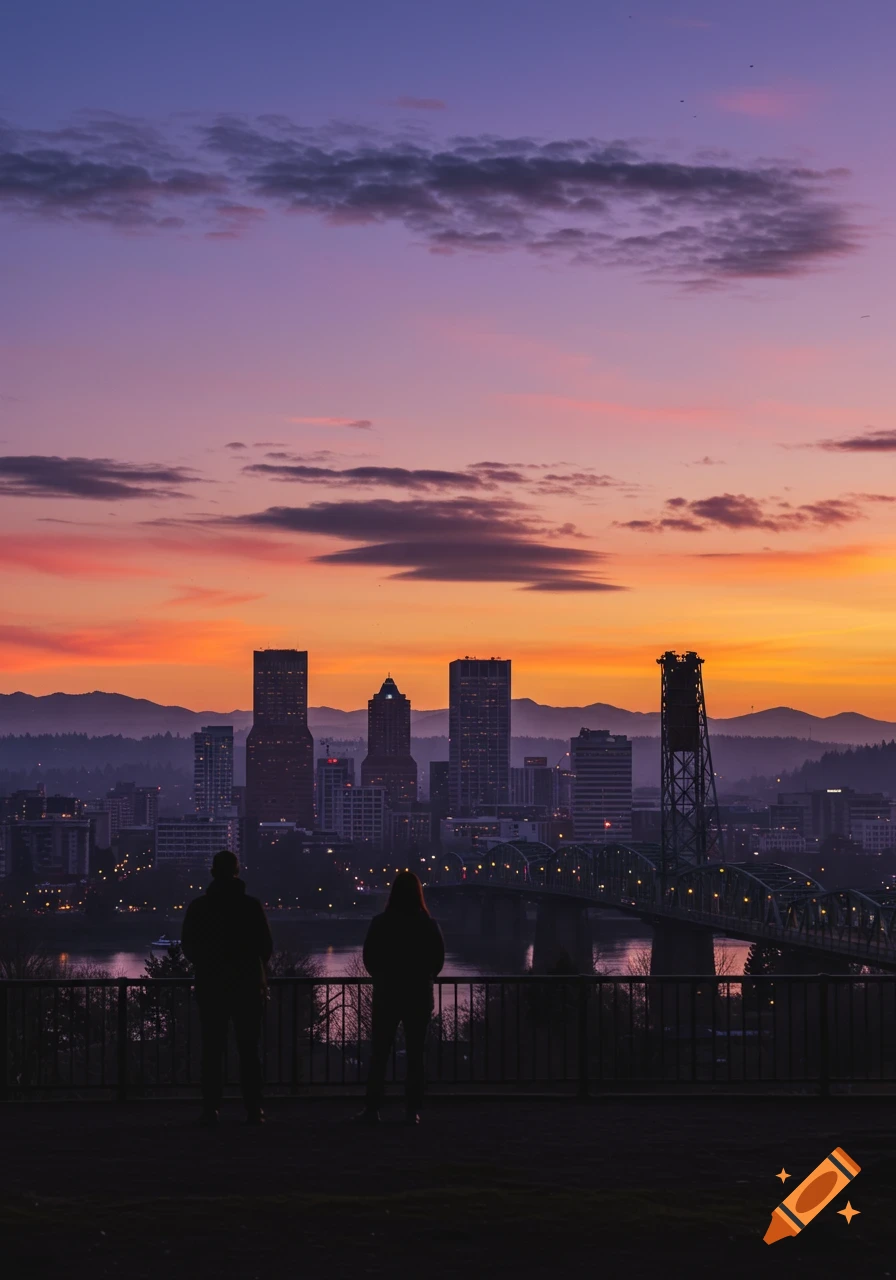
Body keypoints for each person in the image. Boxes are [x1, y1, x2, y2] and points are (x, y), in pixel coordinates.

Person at [181, 849, 273, 1126]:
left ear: (212, 872)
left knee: (212, 1051)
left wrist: (208, 964)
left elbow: (188, 946)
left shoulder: (199, 907)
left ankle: (211, 1110)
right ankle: (254, 1110)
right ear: (238, 871)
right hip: (246, 987)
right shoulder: (251, 906)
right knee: (249, 1050)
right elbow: (265, 947)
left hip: (212, 986)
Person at [359, 871, 445, 1124]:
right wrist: (424, 976)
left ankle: (373, 1109)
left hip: (387, 993)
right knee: (416, 1054)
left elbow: (369, 958)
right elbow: (437, 960)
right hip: (418, 994)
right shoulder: (428, 924)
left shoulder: (380, 922)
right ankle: (411, 1111)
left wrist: (383, 977)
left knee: (379, 1053)